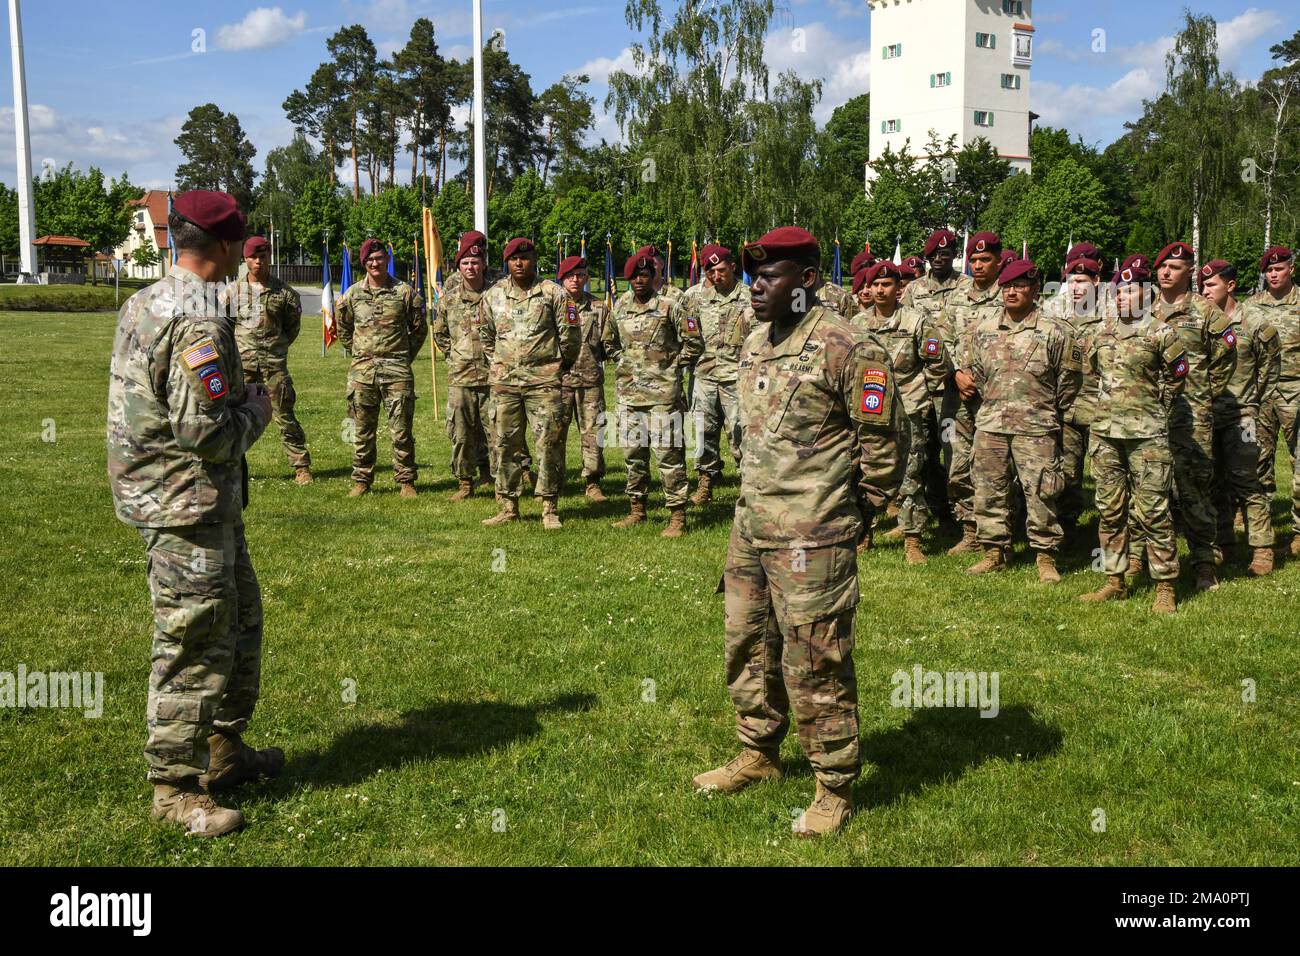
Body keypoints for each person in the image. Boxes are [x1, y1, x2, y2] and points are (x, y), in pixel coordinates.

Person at [692, 227, 904, 838]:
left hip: (815, 532)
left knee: (815, 658)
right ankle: (759, 753)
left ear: (807, 282)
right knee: (749, 644)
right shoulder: (758, 339)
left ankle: (833, 785)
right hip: (752, 522)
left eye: (770, 277)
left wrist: (857, 510)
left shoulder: (848, 347)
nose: (756, 287)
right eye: (754, 276)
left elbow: (885, 440)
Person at [107, 190, 280, 837]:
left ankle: (224, 751)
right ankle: (175, 789)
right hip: (186, 507)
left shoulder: (144, 300)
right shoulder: (198, 316)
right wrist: (256, 409)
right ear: (231, 248)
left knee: (240, 619)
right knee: (195, 643)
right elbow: (203, 431)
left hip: (191, 503)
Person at [965, 259, 1082, 582]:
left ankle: (1045, 556)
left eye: (1019, 286)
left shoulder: (1055, 331)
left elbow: (1068, 382)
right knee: (989, 490)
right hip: (991, 424)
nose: (1012, 292)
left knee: (1042, 492)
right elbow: (978, 375)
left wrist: (1043, 409)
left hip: (1037, 426)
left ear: (1034, 289)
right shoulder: (985, 329)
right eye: (1007, 286)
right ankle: (994, 551)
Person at [1078, 261, 1184, 613]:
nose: (1124, 296)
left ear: (1147, 293)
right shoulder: (1100, 332)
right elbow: (1091, 376)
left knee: (1154, 511)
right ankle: (1114, 580)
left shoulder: (1161, 333)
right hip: (1106, 434)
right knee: (1110, 510)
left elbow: (1176, 380)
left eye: (1132, 289)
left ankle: (1165, 585)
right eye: (1119, 290)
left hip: (1147, 435)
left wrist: (1153, 409)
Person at [1150, 241, 1236, 591]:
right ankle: (1151, 562)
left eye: (1174, 267)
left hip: (1192, 417)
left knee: (1194, 491)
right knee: (1151, 490)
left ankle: (1204, 565)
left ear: (1189, 271)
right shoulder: (1144, 308)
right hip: (1150, 414)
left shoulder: (1208, 313)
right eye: (1162, 267)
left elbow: (1226, 357)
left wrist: (1203, 392)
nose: (1166, 272)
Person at [478, 237, 580, 528]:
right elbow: (486, 336)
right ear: (506, 263)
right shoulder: (493, 295)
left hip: (544, 382)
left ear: (535, 259)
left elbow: (570, 338)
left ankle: (549, 507)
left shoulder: (554, 294)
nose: (519, 264)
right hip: (505, 384)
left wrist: (556, 367)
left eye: (525, 258)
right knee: (504, 443)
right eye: (513, 259)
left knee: (548, 443)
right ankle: (508, 506)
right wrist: (501, 363)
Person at [853, 260, 949, 564]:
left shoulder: (916, 321)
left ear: (899, 288)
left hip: (909, 409)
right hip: (868, 411)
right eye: (875, 285)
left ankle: (912, 540)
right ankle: (863, 532)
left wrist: (921, 389)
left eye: (887, 284)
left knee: (911, 474)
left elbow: (938, 362)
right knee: (863, 472)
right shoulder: (856, 325)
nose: (880, 290)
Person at [604, 246, 702, 536]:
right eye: (634, 277)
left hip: (663, 396)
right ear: (628, 280)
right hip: (629, 395)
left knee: (669, 456)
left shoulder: (671, 305)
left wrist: (672, 366)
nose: (639, 281)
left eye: (645, 275)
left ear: (653, 275)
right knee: (633, 455)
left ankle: (677, 517)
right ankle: (637, 509)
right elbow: (608, 342)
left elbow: (694, 342)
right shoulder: (619, 306)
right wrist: (623, 362)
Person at [1199, 259, 1278, 575]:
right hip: (1208, 414)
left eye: (1211, 285)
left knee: (1246, 479)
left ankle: (1262, 549)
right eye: (1203, 285)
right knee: (1214, 482)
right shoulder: (1202, 321)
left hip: (1242, 416)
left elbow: (1270, 368)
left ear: (1230, 286)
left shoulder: (1256, 323)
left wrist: (1255, 404)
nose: (1205, 291)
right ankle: (1225, 541)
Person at [337, 238, 427, 498]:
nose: (375, 263)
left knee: (401, 428)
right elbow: (344, 329)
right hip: (362, 372)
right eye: (370, 259)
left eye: (379, 258)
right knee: (362, 429)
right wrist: (361, 354)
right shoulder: (352, 294)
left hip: (397, 370)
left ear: (387, 260)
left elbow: (419, 328)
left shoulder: (404, 292)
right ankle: (362, 480)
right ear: (364, 263)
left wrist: (403, 356)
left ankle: (406, 480)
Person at [226, 236, 311, 484]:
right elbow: (225, 328)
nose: (258, 262)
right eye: (253, 257)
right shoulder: (232, 294)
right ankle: (231, 466)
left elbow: (292, 328)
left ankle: (301, 467)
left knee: (284, 415)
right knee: (233, 417)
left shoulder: (285, 294)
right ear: (245, 259)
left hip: (274, 366)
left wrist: (276, 347)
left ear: (269, 257)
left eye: (263, 257)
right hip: (242, 367)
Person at [940, 231, 1004, 555]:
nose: (978, 265)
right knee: (958, 463)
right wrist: (956, 374)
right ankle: (969, 529)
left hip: (997, 396)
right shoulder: (956, 297)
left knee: (995, 465)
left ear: (999, 260)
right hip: (959, 395)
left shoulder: (1009, 295)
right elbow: (942, 340)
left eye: (985, 259)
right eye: (973, 259)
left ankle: (998, 533)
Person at [681, 243, 751, 506]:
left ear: (733, 266)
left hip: (737, 376)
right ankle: (705, 483)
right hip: (705, 375)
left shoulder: (749, 296)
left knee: (740, 431)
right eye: (711, 272)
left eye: (721, 270)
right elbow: (687, 335)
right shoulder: (693, 297)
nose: (716, 276)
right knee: (703, 432)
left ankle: (748, 486)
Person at [432, 230, 494, 501]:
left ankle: (500, 481)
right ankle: (465, 484)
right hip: (461, 377)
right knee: (461, 432)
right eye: (465, 263)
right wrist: (454, 355)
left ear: (483, 265)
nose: (471, 267)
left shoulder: (496, 295)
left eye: (475, 263)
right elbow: (440, 333)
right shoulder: (449, 299)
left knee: (499, 432)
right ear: (459, 267)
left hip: (494, 374)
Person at [1247, 246, 1300, 556]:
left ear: (1290, 269)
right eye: (1269, 270)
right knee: (1257, 462)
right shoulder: (1252, 306)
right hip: (1262, 394)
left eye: (1279, 269)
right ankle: (1260, 533)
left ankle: (1297, 533)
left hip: (1296, 390)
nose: (1273, 274)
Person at [556, 255, 611, 502]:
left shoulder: (599, 308)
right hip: (559, 381)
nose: (575, 280)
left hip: (590, 383)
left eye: (580, 275)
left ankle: (592, 482)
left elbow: (610, 344)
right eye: (570, 276)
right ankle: (554, 481)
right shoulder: (552, 305)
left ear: (586, 278)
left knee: (594, 433)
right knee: (554, 434)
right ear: (562, 278)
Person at [1057, 256, 1106, 532]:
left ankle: (1109, 530)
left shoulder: (1111, 312)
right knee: (1067, 472)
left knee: (1105, 474)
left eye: (1083, 281)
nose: (1076, 287)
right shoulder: (1054, 311)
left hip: (1100, 408)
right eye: (1072, 281)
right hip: (1066, 406)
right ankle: (1067, 528)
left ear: (1096, 281)